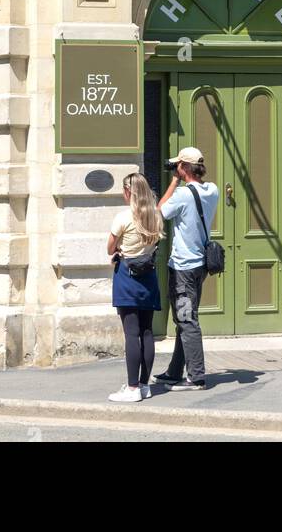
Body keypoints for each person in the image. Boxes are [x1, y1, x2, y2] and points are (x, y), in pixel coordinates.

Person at [155, 146, 219, 390]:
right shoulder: (211, 190)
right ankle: (174, 371)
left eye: (178, 166)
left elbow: (159, 211)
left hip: (182, 268)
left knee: (186, 319)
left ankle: (197, 376)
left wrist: (173, 181)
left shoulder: (181, 194)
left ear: (183, 167)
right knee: (185, 319)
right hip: (200, 266)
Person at [107, 173, 164, 403]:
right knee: (147, 331)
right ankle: (144, 384)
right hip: (148, 277)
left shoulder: (123, 217)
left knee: (131, 333)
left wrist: (120, 248)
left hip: (127, 277)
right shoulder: (155, 216)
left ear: (128, 192)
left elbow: (110, 248)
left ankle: (131, 389)